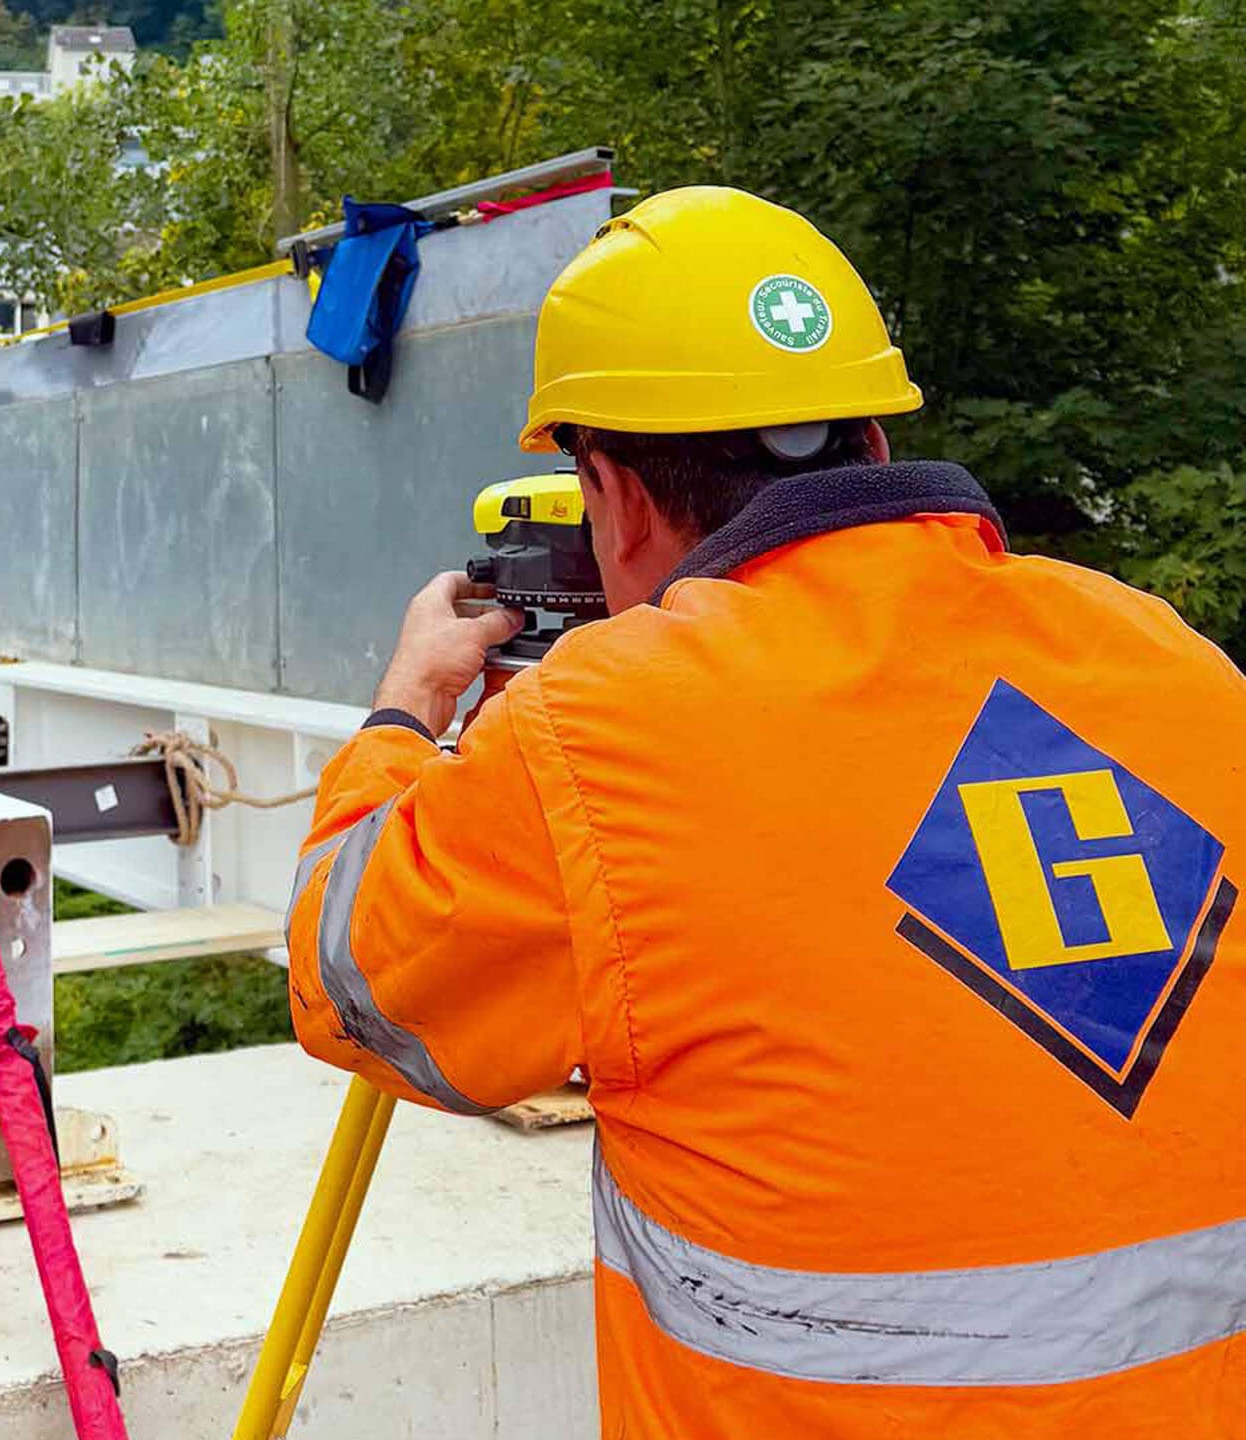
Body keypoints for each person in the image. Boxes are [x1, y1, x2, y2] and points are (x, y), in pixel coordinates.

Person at [285, 186, 1246, 1438]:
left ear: (613, 496)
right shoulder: (1172, 663)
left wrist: (407, 715)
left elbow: (348, 985)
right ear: (878, 448)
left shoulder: (599, 733)